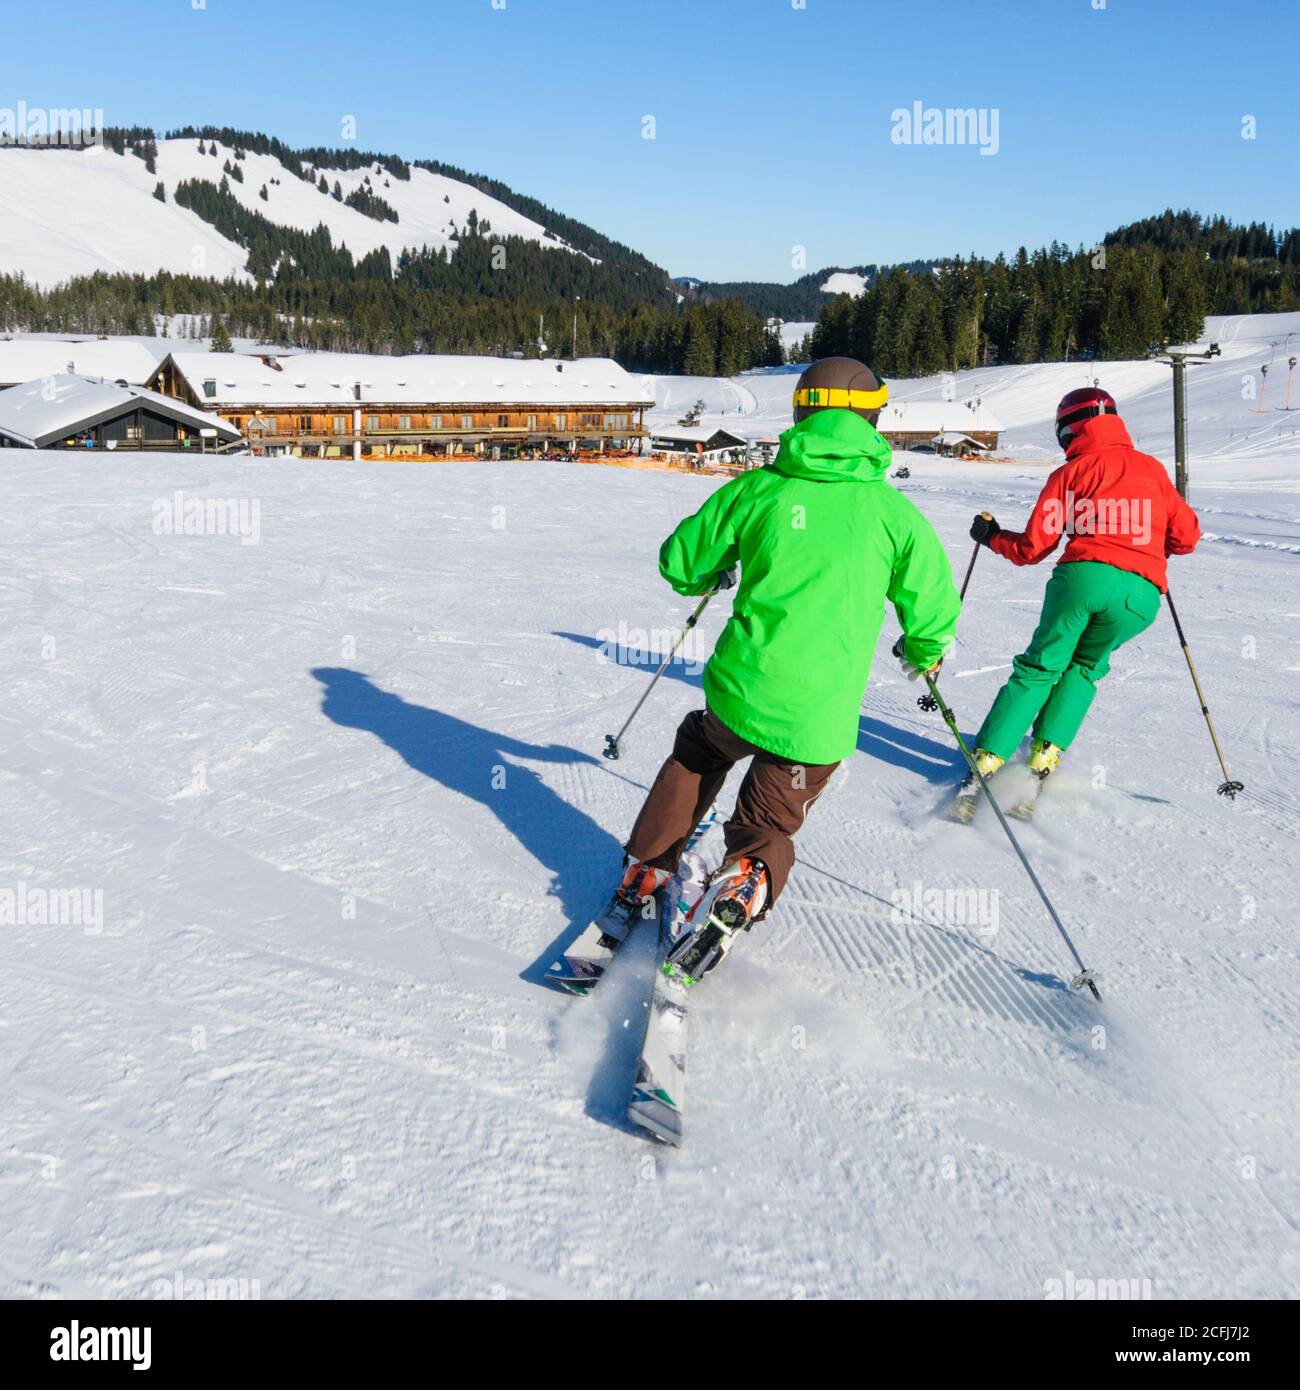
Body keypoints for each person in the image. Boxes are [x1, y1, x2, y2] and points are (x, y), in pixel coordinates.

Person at [613, 357, 962, 982]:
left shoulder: (760, 489)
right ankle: (746, 879)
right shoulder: (894, 514)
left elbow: (680, 562)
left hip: (742, 690)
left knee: (699, 752)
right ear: (873, 419)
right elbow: (932, 608)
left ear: (803, 410)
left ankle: (648, 863)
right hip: (817, 719)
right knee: (769, 817)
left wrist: (711, 570)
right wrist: (923, 650)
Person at [954, 386, 1200, 814]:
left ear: (1069, 429)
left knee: (1040, 667)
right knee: (1083, 670)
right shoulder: (1153, 470)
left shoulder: (1072, 473)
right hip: (1141, 595)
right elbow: (1187, 538)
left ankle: (986, 762)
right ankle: (1041, 763)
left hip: (1084, 577)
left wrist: (992, 537)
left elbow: (1033, 547)